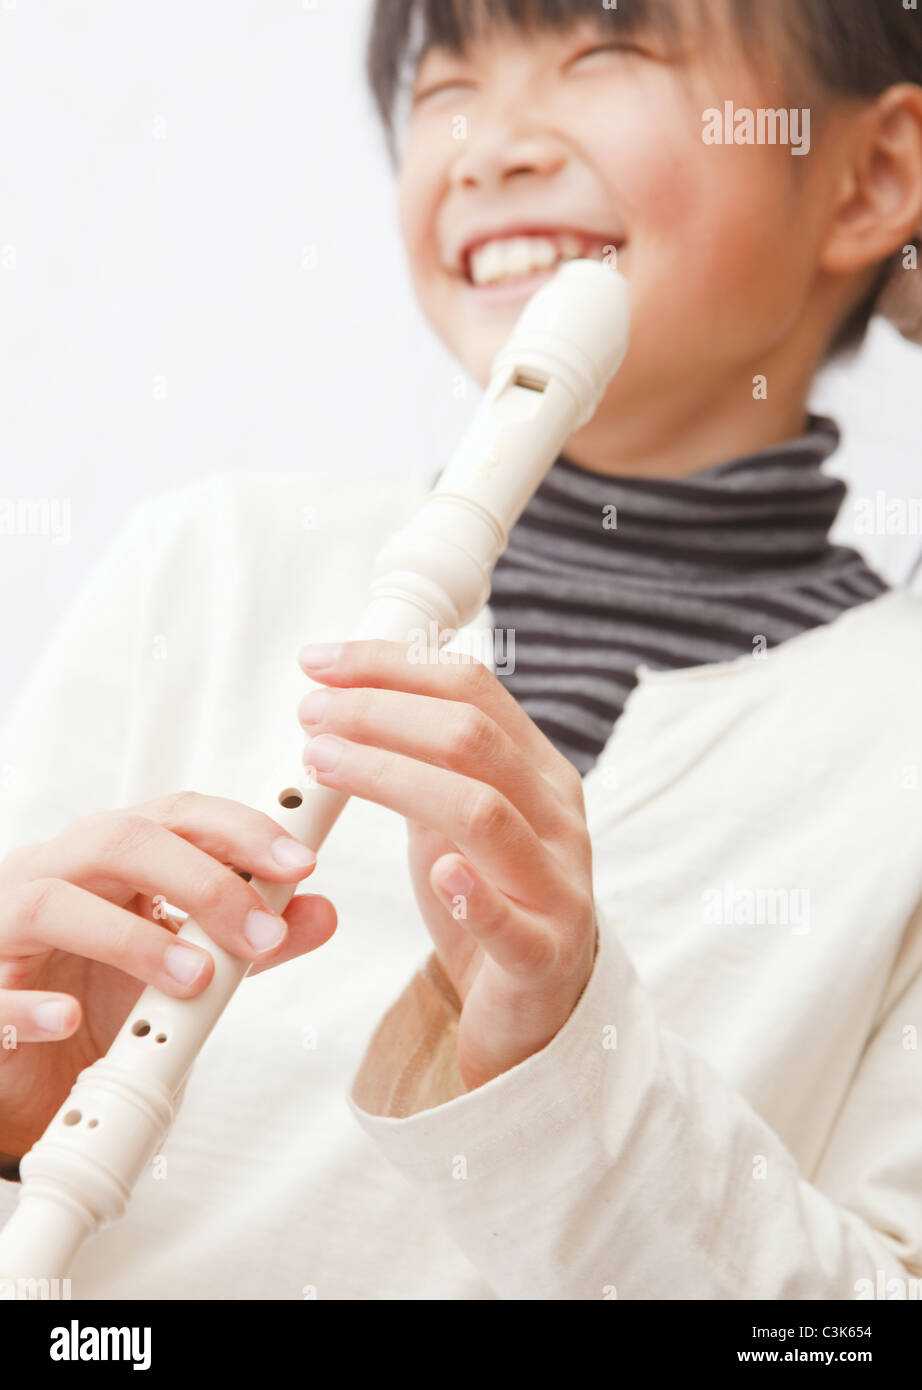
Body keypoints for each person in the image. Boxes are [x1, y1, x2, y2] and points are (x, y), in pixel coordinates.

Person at [1, 0, 921, 1300]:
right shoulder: (204, 567)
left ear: (871, 176)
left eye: (603, 51)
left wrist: (567, 1055)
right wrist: (12, 1128)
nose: (485, 147)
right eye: (440, 88)